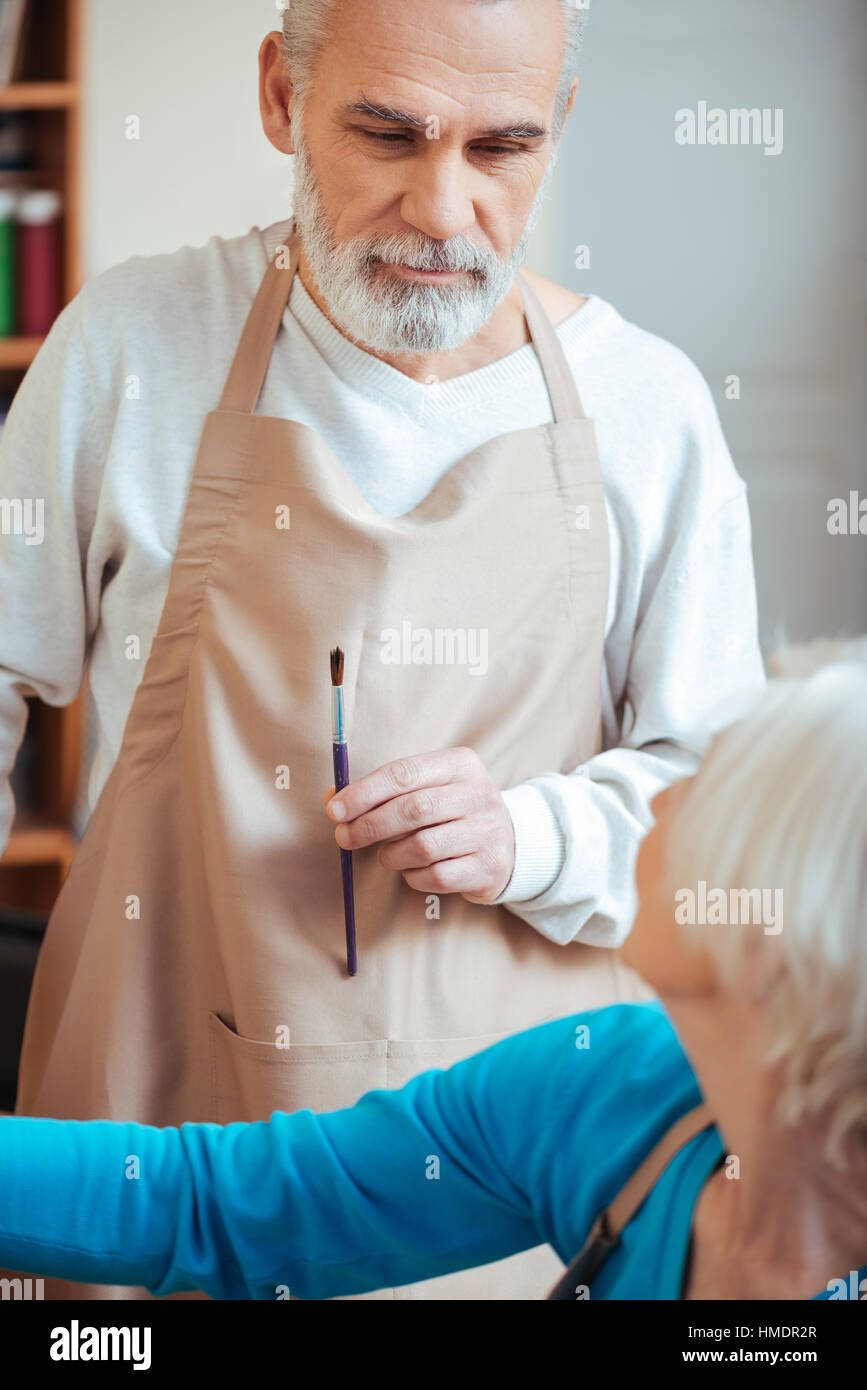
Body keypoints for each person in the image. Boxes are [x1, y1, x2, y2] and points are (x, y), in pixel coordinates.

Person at [0, 0, 763, 1300]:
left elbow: (724, 831)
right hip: (155, 1128)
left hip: (516, 1196)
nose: (442, 208)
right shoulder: (130, 345)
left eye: (500, 148)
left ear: (555, 126)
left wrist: (529, 834)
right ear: (282, 100)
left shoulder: (648, 410)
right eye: (387, 134)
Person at [0, 638, 863, 1301]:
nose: (658, 796)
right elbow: (218, 1203)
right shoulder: (605, 1086)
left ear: (771, 945)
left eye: (706, 786)